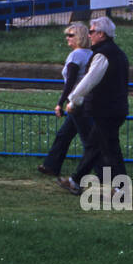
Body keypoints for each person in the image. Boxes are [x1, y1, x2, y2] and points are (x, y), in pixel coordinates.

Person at [61, 16, 130, 194]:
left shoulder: (102, 55)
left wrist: (73, 99)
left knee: (110, 149)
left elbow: (89, 81)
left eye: (91, 31)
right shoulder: (119, 53)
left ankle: (120, 188)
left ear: (101, 33)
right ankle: (75, 181)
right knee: (95, 146)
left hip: (105, 110)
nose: (89, 35)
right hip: (115, 108)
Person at [38, 23, 94, 189]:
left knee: (89, 142)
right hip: (85, 101)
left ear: (80, 37)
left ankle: (102, 171)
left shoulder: (75, 56)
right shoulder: (91, 54)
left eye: (71, 35)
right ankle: (51, 165)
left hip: (76, 103)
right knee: (64, 134)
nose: (67, 38)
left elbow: (70, 82)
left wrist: (60, 102)